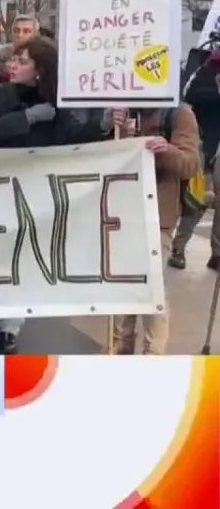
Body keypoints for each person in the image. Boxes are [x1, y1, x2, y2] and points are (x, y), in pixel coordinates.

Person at [0, 36, 110, 354]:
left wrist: (103, 125)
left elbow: (70, 141)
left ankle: (8, 328)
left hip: (32, 196)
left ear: (41, 70)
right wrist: (25, 119)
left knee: (19, 261)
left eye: (22, 60)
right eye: (13, 58)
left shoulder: (56, 105)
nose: (12, 64)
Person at [110, 106, 200, 355]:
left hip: (157, 216)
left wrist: (165, 149)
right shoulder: (121, 112)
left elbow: (190, 164)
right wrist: (110, 129)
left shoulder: (178, 113)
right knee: (121, 285)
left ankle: (153, 355)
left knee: (152, 287)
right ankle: (121, 348)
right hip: (119, 214)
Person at [170, 49, 220, 269]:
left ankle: (216, 253)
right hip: (201, 145)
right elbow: (189, 95)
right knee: (196, 201)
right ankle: (178, 248)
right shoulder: (205, 72)